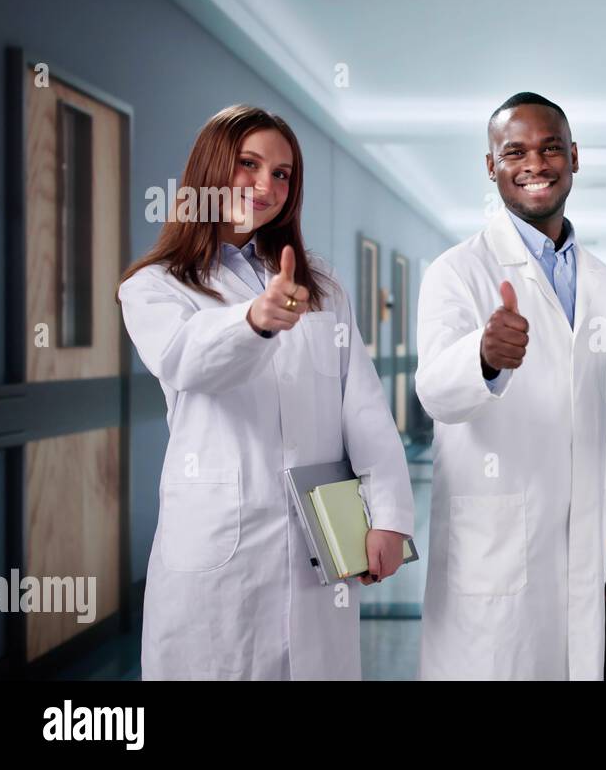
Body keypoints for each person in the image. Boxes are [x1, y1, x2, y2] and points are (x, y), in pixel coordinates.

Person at [118, 104, 414, 680]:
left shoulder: (320, 284)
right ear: (208, 170)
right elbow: (188, 360)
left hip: (320, 536)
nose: (266, 185)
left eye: (282, 173)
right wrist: (253, 319)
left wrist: (390, 514)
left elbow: (364, 406)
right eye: (247, 164)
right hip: (218, 540)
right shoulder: (154, 288)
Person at [414, 93, 606, 680]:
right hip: (494, 538)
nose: (535, 164)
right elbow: (434, 392)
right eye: (514, 151)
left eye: (550, 149)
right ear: (490, 166)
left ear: (574, 156)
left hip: (588, 538)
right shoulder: (457, 272)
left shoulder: (604, 283)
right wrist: (484, 358)